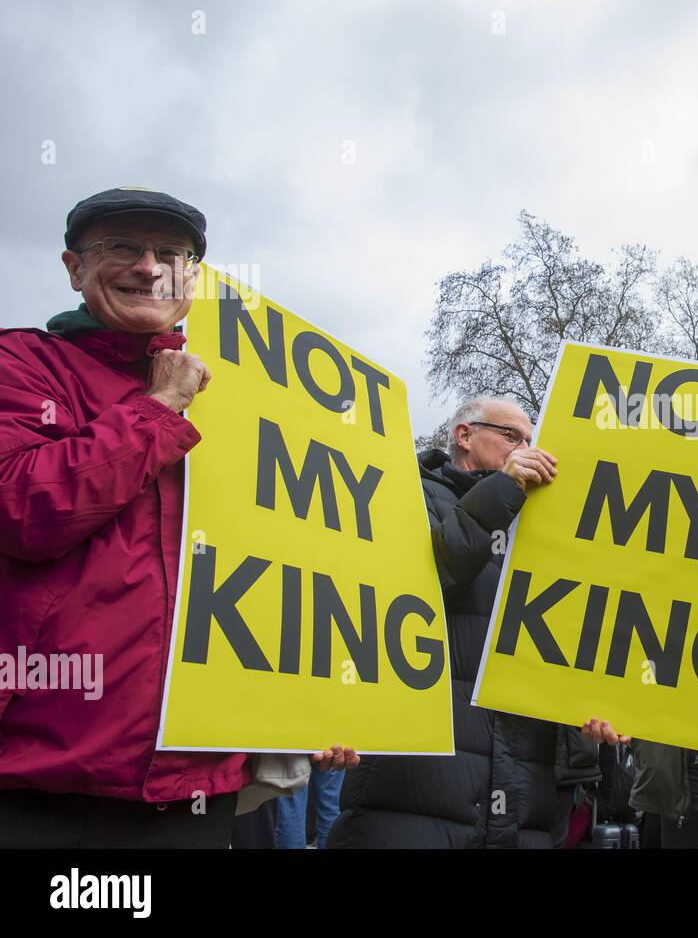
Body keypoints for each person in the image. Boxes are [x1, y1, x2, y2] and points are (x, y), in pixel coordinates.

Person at [0, 187, 355, 848]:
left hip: (197, 789)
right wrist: (159, 408)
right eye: (122, 248)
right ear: (75, 268)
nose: (148, 266)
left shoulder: (245, 397)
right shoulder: (22, 365)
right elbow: (22, 508)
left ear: (193, 276)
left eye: (170, 253)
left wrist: (314, 709)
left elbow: (289, 567)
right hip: (41, 781)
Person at [328, 396, 615, 848]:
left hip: (526, 794)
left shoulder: (545, 523)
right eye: (511, 436)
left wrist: (597, 708)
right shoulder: (402, 490)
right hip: (414, 792)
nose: (526, 449)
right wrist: (503, 489)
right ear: (464, 435)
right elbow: (427, 578)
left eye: (530, 439)